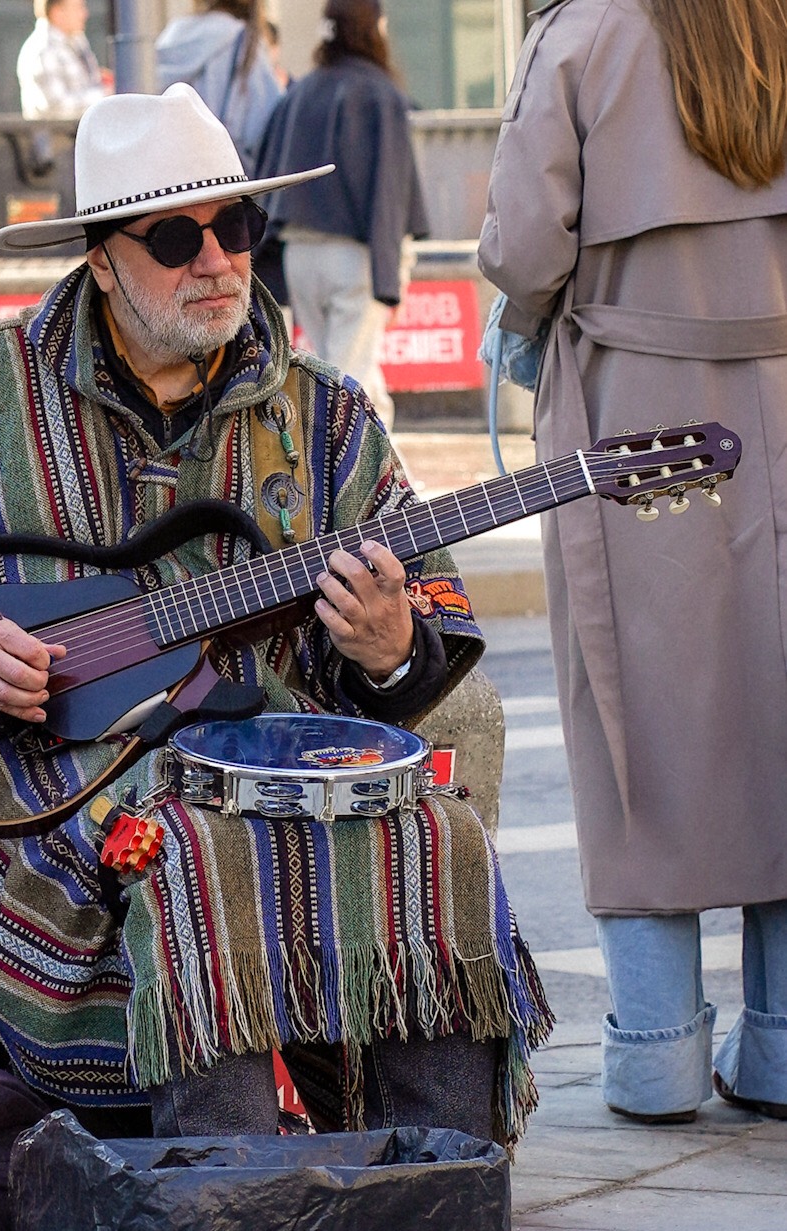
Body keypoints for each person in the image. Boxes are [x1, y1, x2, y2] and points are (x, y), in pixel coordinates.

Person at [0, 83, 551, 1146]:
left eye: (237, 226)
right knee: (193, 861)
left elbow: (426, 623)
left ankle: (436, 1187)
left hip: (276, 765)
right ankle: (228, 1195)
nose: (217, 260)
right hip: (49, 786)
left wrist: (390, 650)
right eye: (177, 236)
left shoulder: (326, 416)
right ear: (100, 258)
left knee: (435, 842)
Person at [478, 0, 787, 1124]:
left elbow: (520, 245)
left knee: (634, 724)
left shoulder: (580, 36)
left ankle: (655, 1056)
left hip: (632, 418)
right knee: (780, 716)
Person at [254, 0, 427, 433]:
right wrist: (392, 277)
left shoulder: (299, 91)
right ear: (374, 29)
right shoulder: (380, 93)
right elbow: (389, 194)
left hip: (299, 254)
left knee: (352, 376)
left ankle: (386, 485)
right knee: (347, 390)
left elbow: (268, 175)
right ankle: (354, 494)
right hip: (356, 258)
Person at [156, 1, 282, 172]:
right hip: (221, 177)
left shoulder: (170, 37)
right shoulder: (244, 41)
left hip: (172, 174)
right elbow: (266, 125)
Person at [17, 0, 107, 122]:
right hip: (59, 139)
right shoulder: (43, 48)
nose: (85, 14)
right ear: (57, 12)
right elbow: (56, 108)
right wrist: (106, 97)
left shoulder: (77, 41)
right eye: (78, 8)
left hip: (81, 135)